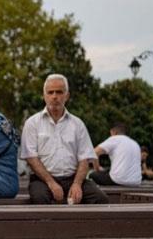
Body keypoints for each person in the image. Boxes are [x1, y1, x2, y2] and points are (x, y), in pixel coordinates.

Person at [20, 75, 108, 205]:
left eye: (59, 92)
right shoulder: (32, 123)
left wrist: (77, 184)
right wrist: (51, 183)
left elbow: (84, 159)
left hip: (73, 178)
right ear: (44, 96)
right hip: (42, 180)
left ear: (67, 96)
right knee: (40, 198)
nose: (54, 96)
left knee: (100, 199)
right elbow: (31, 158)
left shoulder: (78, 124)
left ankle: (83, 226)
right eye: (50, 92)